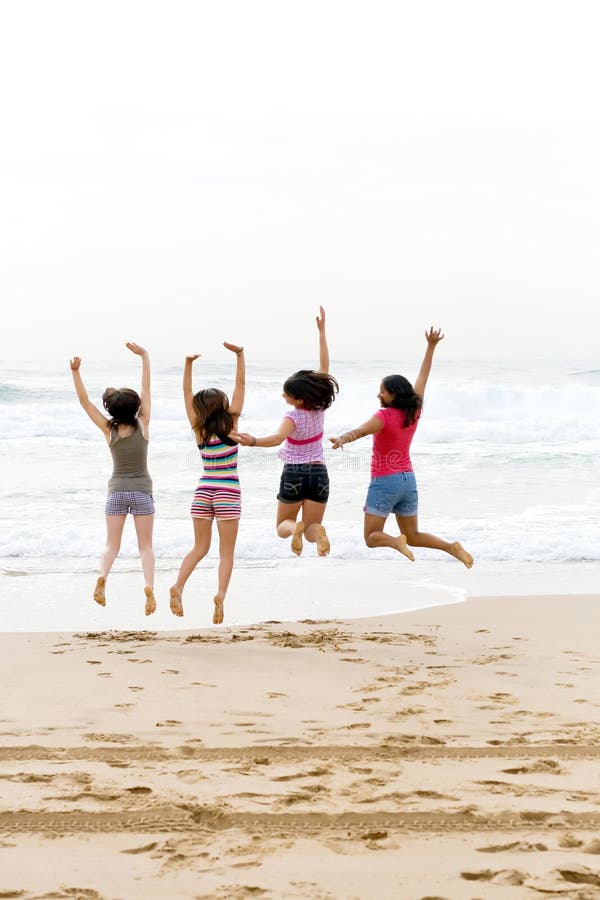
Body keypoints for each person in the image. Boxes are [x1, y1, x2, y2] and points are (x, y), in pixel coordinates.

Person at [330, 328, 473, 568]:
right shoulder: (414, 411)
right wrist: (431, 347)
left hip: (385, 481)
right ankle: (451, 547)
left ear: (393, 394)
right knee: (414, 535)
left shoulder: (384, 416)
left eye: (382, 391)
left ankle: (396, 542)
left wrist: (343, 439)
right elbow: (423, 376)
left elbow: (362, 430)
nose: (379, 394)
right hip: (408, 481)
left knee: (371, 537)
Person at [235, 307, 338, 557]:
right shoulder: (319, 409)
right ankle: (317, 532)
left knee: (282, 526)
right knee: (313, 530)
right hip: (319, 472)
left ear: (299, 400)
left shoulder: (292, 416)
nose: (283, 396)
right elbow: (324, 367)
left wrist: (252, 441)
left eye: (287, 394)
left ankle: (295, 530)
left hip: (295, 472)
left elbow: (277, 439)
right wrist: (322, 333)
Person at [69, 343, 156, 615]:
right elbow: (147, 388)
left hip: (116, 492)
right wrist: (144, 356)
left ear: (113, 411)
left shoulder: (110, 430)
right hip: (142, 491)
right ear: (136, 407)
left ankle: (103, 577)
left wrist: (75, 372)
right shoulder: (143, 424)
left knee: (111, 545)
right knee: (145, 546)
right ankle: (149, 586)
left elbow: (85, 403)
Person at [169, 342, 245, 623]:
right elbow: (241, 384)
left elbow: (186, 393)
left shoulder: (198, 429)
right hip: (228, 490)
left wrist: (188, 364)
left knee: (199, 547)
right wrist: (239, 355)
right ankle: (220, 596)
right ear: (225, 406)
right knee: (226, 553)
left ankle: (178, 586)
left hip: (203, 490)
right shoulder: (232, 425)